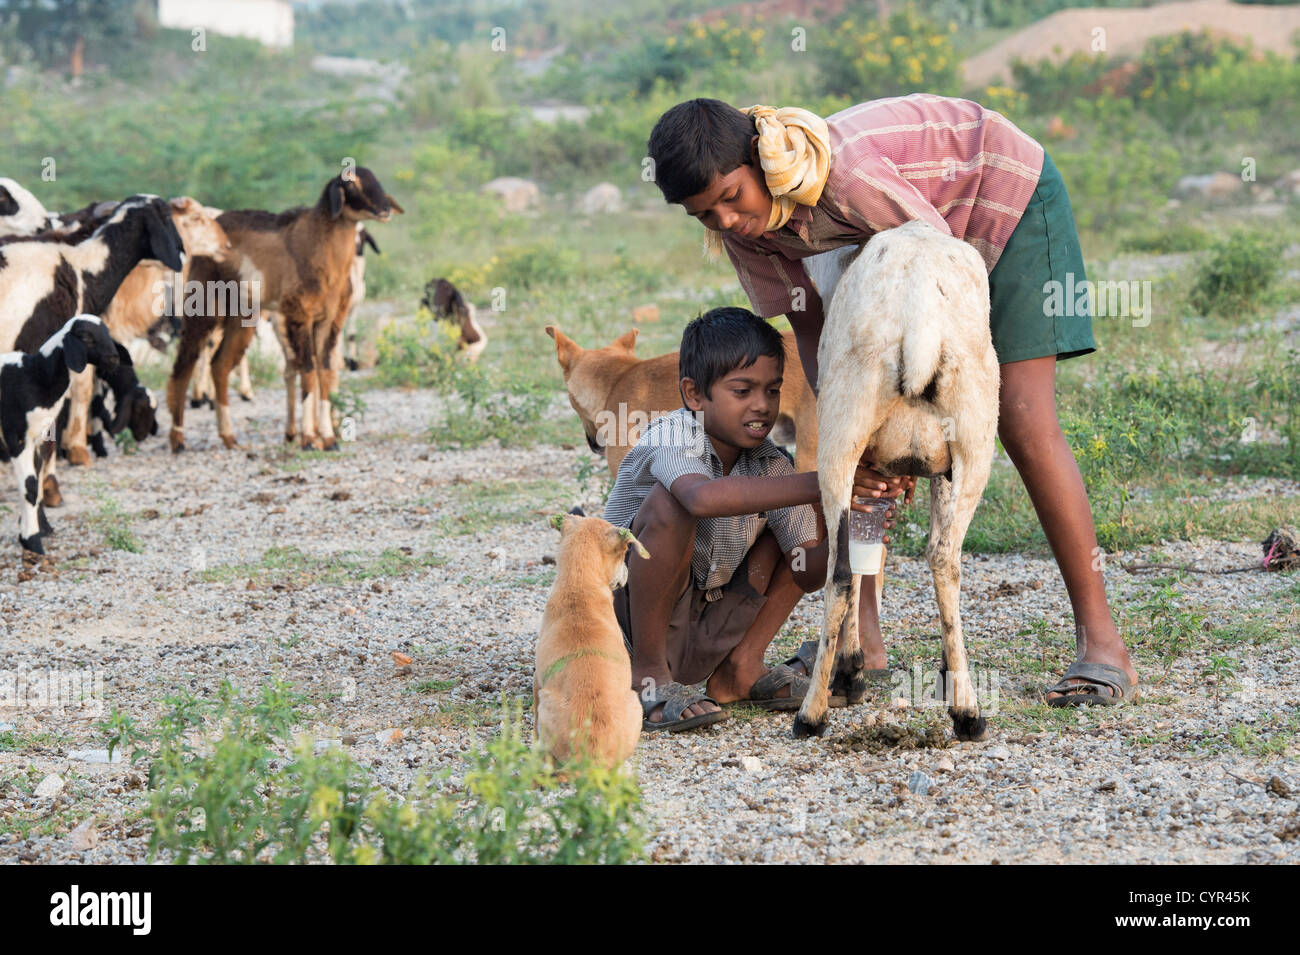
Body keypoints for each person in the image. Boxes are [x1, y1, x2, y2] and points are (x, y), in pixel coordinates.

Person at [645, 94, 1138, 706]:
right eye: (703, 216)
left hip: (994, 210)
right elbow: (812, 326)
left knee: (1023, 420)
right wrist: (860, 422)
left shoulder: (844, 177)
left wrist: (938, 393)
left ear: (759, 161)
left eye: (730, 197)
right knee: (864, 445)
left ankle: (1103, 644)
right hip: (903, 250)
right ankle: (863, 641)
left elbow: (937, 261)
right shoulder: (749, 233)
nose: (724, 222)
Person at [603, 306, 901, 732]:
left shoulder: (770, 465)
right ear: (693, 395)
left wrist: (851, 525)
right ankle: (648, 677)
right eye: (742, 391)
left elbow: (807, 571)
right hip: (622, 628)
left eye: (772, 390)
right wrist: (827, 481)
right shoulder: (670, 434)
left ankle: (740, 669)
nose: (762, 406)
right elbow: (701, 497)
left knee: (806, 515)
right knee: (672, 504)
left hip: (701, 633)